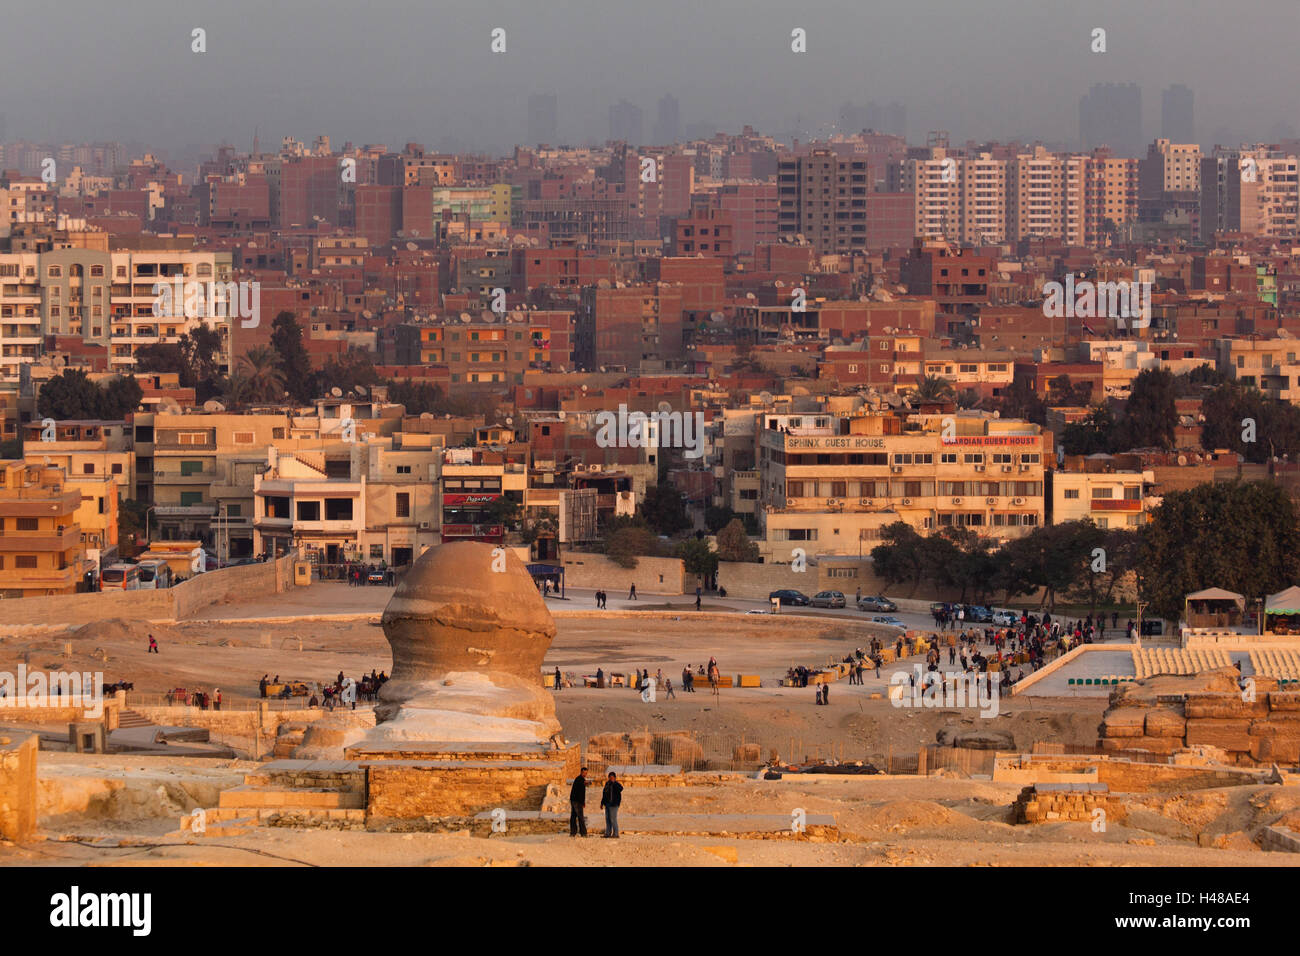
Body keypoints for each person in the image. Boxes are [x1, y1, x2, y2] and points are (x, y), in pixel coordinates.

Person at [600, 771, 624, 838]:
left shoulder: (616, 784)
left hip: (614, 804)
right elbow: (604, 794)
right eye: (610, 777)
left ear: (615, 778)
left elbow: (621, 789)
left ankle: (616, 834)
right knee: (607, 819)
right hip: (607, 804)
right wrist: (602, 803)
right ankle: (608, 833)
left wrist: (614, 783)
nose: (611, 779)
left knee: (613, 819)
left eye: (612, 777)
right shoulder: (607, 784)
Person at [569, 767, 589, 837]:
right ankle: (583, 833)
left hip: (574, 800)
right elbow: (581, 792)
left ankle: (573, 832)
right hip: (577, 801)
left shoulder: (580, 779)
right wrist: (582, 802)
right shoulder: (580, 779)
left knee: (573, 816)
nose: (585, 774)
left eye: (586, 773)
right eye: (584, 773)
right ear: (581, 772)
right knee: (580, 817)